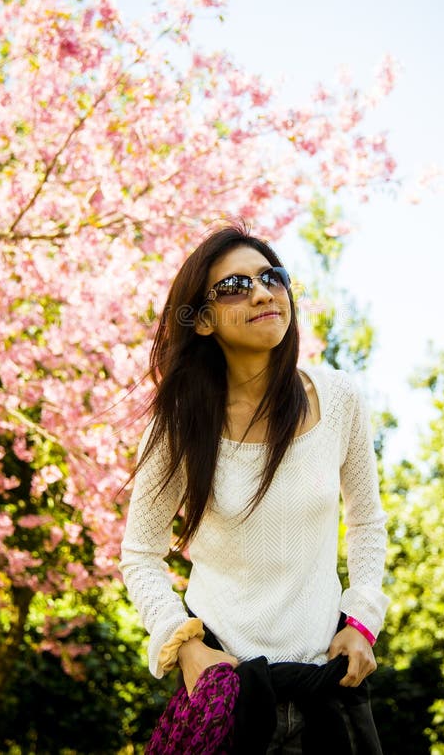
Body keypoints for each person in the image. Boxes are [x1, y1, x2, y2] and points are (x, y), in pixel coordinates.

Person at [120, 223, 390, 754]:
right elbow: (140, 555)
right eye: (234, 287)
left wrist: (362, 620)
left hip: (326, 689)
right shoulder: (178, 425)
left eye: (272, 278)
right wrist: (185, 646)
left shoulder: (338, 398)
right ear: (202, 321)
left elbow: (366, 521)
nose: (263, 293)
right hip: (226, 701)